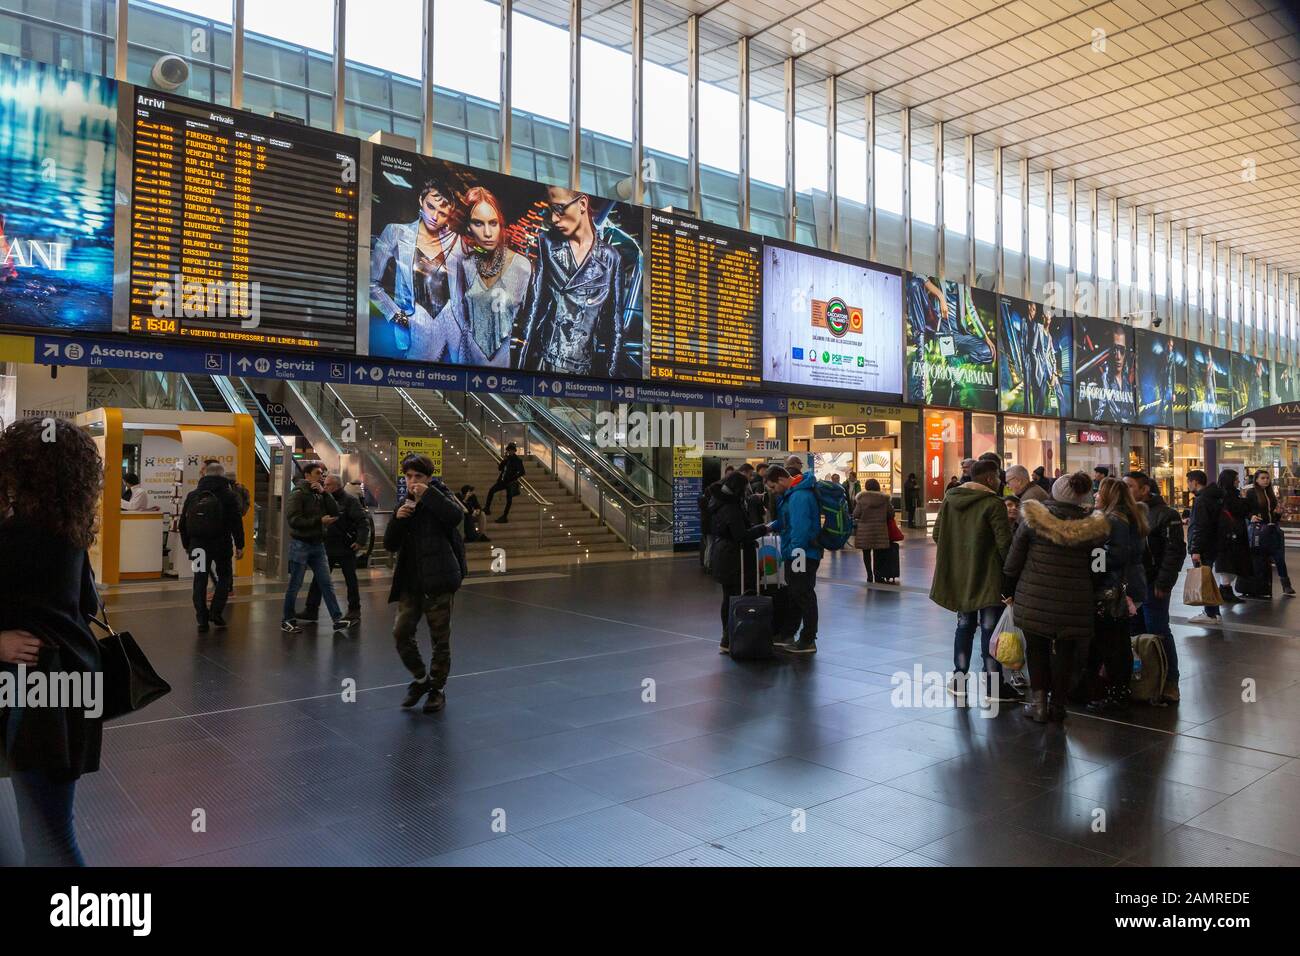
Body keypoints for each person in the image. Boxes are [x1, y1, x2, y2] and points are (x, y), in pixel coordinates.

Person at [0, 417, 104, 865]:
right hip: (70, 684)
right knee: (50, 828)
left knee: (46, 838)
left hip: (29, 691)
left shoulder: (11, 533)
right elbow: (86, 601)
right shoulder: (70, 529)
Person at [1003, 473, 1110, 722]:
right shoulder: (1095, 528)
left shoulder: (1032, 520)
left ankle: (1039, 704)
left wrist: (1007, 590)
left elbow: (1012, 562)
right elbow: (1099, 568)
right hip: (1076, 600)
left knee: (1036, 649)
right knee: (1067, 651)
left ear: (1054, 492)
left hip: (1034, 596)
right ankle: (1059, 705)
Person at [931, 459, 1019, 702]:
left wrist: (959, 555)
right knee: (990, 631)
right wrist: (1012, 572)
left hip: (960, 577)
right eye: (998, 477)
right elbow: (1004, 544)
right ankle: (994, 687)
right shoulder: (993, 504)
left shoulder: (950, 499)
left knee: (964, 627)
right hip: (989, 578)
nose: (1001, 481)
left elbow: (937, 533)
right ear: (990, 479)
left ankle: (959, 680)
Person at [386, 454, 467, 713]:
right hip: (411, 582)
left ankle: (438, 690)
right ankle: (421, 679)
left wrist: (428, 495)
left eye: (418, 477)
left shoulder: (441, 495)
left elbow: (456, 517)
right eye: (408, 477)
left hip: (439, 580)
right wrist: (398, 519)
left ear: (429, 478)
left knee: (440, 640)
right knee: (401, 633)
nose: (412, 482)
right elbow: (390, 544)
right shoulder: (405, 503)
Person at [519, 186, 626, 376]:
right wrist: (519, 368)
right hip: (544, 362)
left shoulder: (611, 258)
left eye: (560, 209)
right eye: (552, 210)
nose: (553, 218)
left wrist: (611, 385)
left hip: (583, 370)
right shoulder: (547, 243)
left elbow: (615, 328)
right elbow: (534, 307)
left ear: (582, 204)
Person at [369, 176, 464, 361]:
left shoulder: (455, 241)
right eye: (431, 207)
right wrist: (396, 314)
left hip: (452, 329)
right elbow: (370, 282)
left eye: (443, 213)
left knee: (458, 381)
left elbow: (463, 288)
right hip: (416, 326)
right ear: (421, 201)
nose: (435, 217)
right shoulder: (396, 232)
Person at [441, 186, 532, 368]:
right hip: (466, 358)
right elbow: (456, 314)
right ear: (469, 226)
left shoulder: (521, 267)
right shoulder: (465, 264)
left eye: (493, 223)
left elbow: (528, 322)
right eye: (478, 223)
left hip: (502, 364)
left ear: (500, 224)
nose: (488, 233)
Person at [1085, 477, 1149, 714]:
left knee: (1112, 643)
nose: (1095, 496)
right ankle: (1118, 691)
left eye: (1099, 493)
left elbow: (1113, 556)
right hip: (1128, 587)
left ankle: (1117, 694)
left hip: (1115, 591)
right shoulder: (1131, 516)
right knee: (1117, 641)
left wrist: (1094, 558)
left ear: (1109, 496)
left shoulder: (1113, 520)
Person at [1126, 471, 1186, 702]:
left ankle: (1171, 680)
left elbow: (1174, 552)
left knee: (1158, 630)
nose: (1126, 490)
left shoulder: (1165, 514)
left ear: (1144, 489)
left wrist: (1164, 582)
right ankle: (1145, 680)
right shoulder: (1126, 514)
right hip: (1133, 585)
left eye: (1130, 486)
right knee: (1135, 631)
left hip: (1152, 583)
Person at [178, 460, 245, 632]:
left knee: (199, 579)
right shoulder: (229, 496)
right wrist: (240, 544)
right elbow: (236, 522)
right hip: (221, 545)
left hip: (198, 546)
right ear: (222, 476)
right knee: (225, 577)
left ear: (205, 474)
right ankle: (216, 612)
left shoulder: (194, 495)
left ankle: (202, 618)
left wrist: (188, 545)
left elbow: (182, 523)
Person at [281, 462, 346, 633]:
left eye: (323, 473)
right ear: (307, 475)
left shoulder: (319, 493)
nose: (322, 476)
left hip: (318, 544)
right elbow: (294, 520)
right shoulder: (298, 493)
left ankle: (337, 618)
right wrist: (319, 521)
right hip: (301, 544)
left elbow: (335, 511)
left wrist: (325, 494)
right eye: (318, 473)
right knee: (295, 583)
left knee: (326, 583)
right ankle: (287, 619)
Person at [707, 471, 768, 653]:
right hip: (734, 557)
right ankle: (731, 636)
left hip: (722, 554)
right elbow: (740, 535)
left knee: (728, 597)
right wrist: (763, 529)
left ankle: (727, 637)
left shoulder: (717, 502)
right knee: (737, 596)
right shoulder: (731, 507)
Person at [764, 465, 821, 654]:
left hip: (801, 553)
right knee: (796, 593)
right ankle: (789, 633)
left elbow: (800, 530)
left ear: (781, 480)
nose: (772, 491)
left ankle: (808, 639)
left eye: (772, 487)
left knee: (803, 593)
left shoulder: (798, 497)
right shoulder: (793, 495)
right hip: (800, 551)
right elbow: (788, 522)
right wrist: (770, 526)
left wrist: (790, 551)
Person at [301, 475, 369, 627]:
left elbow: (362, 522)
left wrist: (360, 541)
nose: (325, 488)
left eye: (328, 485)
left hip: (346, 546)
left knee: (350, 579)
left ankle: (354, 610)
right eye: (324, 485)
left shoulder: (350, 501)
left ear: (336, 486)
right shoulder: (323, 499)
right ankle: (311, 609)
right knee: (319, 578)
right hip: (327, 545)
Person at [1185, 469, 1224, 624]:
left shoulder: (1202, 500)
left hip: (1204, 546)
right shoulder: (1213, 497)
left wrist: (1196, 549)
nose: (1188, 486)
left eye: (1188, 482)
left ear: (1195, 482)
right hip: (1212, 543)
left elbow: (1201, 526)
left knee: (1205, 579)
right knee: (1208, 577)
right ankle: (1214, 612)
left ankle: (1211, 614)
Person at [1247, 469, 1294, 596]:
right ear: (1256, 479)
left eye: (1267, 478)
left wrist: (1278, 514)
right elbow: (1246, 510)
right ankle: (1262, 587)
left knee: (1279, 557)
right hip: (1259, 529)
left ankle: (1286, 585)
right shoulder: (1251, 493)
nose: (1266, 480)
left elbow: (1273, 513)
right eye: (1262, 478)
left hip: (1273, 528)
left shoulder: (1270, 492)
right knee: (1261, 559)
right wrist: (1251, 516)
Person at [1214, 469, 1255, 603]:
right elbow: (1241, 510)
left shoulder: (1224, 495)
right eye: (1236, 479)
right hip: (1230, 536)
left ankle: (1225, 590)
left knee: (1230, 563)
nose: (1238, 481)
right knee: (1228, 563)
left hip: (1230, 535)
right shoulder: (1229, 496)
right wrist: (1244, 498)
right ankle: (1225, 591)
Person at [853, 479, 897, 584]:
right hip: (879, 531)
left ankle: (869, 575)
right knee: (878, 554)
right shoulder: (884, 499)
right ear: (878, 486)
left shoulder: (861, 499)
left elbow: (856, 514)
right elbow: (891, 514)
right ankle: (878, 575)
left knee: (866, 554)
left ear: (867, 487)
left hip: (865, 531)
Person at [484, 442, 526, 523]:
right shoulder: (507, 459)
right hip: (502, 481)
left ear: (514, 451)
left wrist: (513, 478)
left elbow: (522, 472)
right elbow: (500, 468)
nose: (510, 451)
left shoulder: (517, 460)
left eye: (511, 450)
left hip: (510, 482)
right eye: (509, 450)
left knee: (509, 499)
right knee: (491, 490)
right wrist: (504, 460)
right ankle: (487, 508)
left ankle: (504, 516)